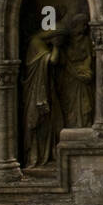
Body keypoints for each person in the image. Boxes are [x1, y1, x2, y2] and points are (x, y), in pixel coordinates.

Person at [22, 26, 65, 167]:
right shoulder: (36, 42)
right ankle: (34, 158)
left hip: (47, 90)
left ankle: (48, 154)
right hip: (36, 91)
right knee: (35, 122)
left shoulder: (41, 42)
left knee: (52, 122)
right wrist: (56, 47)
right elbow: (52, 61)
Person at [59, 12, 94, 129]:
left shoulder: (86, 40)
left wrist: (85, 69)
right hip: (70, 75)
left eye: (86, 25)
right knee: (71, 103)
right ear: (76, 25)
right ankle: (72, 125)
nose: (85, 28)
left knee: (86, 103)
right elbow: (64, 60)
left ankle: (85, 124)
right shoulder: (66, 41)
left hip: (83, 72)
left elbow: (89, 56)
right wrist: (74, 73)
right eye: (83, 25)